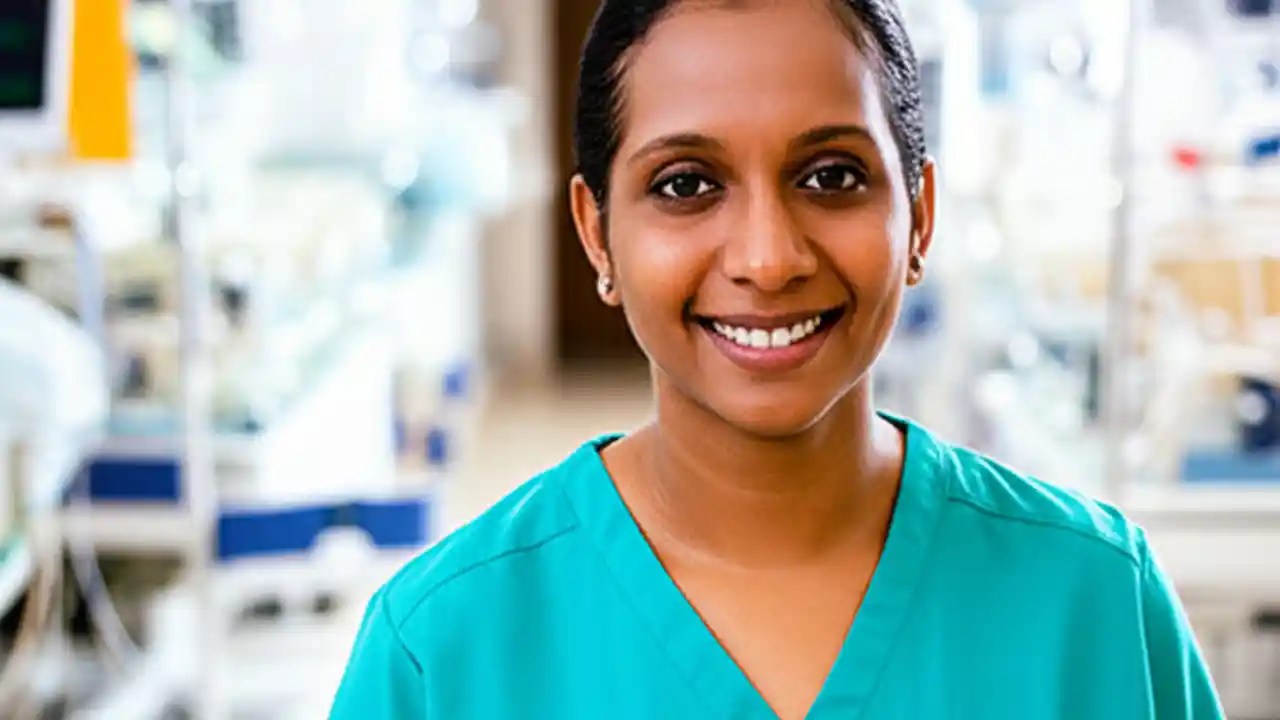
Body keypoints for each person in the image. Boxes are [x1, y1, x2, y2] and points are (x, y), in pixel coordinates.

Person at [331, 1, 1224, 717]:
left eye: (831, 176)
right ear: (596, 234)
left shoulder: (1099, 607)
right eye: (686, 185)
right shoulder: (442, 649)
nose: (768, 258)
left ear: (919, 217)